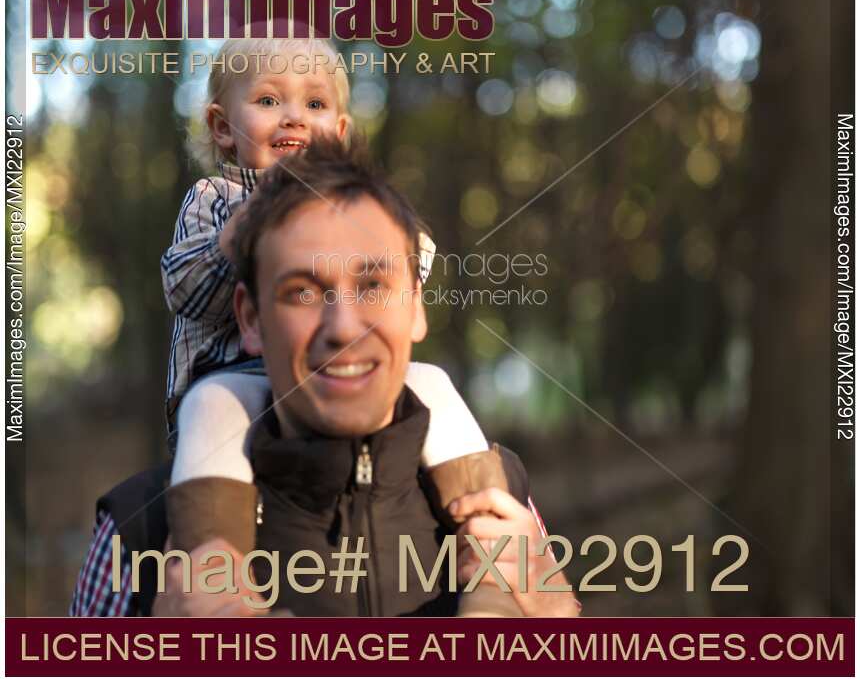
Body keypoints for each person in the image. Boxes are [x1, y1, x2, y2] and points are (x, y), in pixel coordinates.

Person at [71, 138, 581, 618]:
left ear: (416, 306)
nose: (343, 328)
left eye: (373, 285)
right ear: (251, 319)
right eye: (302, 292)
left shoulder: (504, 510)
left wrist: (557, 623)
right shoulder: (138, 532)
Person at [166, 33, 490, 559]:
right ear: (223, 127)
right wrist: (251, 220)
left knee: (430, 380)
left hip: (340, 379)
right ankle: (212, 567)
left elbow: (416, 260)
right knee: (210, 404)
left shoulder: (354, 205)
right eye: (268, 100)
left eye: (315, 104)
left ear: (338, 133)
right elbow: (184, 289)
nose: (293, 118)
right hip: (236, 385)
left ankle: (489, 530)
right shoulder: (215, 200)